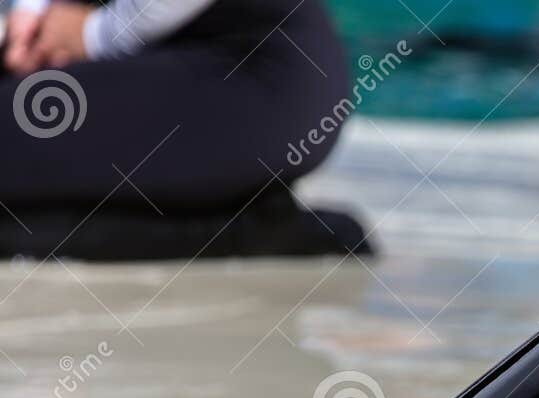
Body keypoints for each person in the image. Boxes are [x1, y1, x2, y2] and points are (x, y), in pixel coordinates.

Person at [0, 0, 368, 257]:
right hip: (149, 50)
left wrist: (95, 34)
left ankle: (260, 227)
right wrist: (31, 16)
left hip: (252, 68)